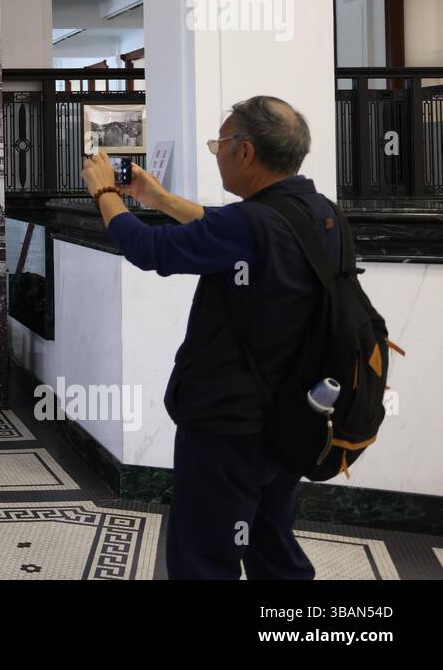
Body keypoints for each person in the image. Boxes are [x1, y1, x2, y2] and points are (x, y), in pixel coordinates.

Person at [82, 95, 328, 581]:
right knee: (272, 548)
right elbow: (228, 233)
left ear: (245, 152)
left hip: (227, 425)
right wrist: (159, 200)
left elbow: (149, 249)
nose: (215, 151)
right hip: (295, 418)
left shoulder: (252, 224)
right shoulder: (318, 214)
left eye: (219, 142)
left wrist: (103, 192)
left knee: (203, 560)